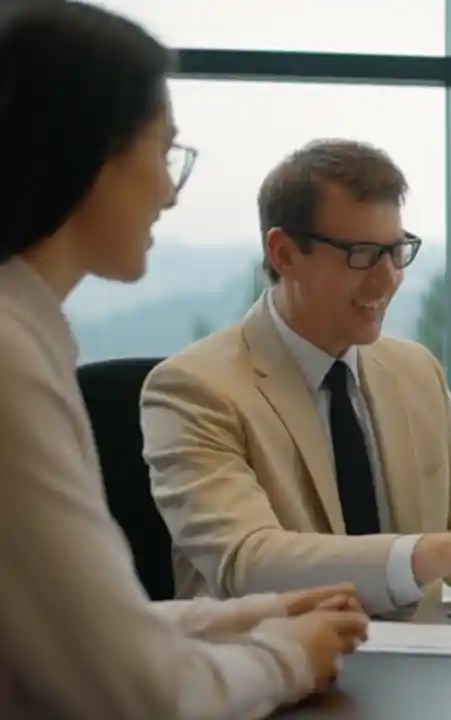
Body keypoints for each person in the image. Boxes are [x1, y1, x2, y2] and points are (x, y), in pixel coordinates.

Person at [0, 3, 369, 718]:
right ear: (90, 149)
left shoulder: (27, 337)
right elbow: (141, 694)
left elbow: (90, 631)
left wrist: (247, 616)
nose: (170, 191)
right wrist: (289, 655)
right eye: (164, 150)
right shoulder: (11, 360)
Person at [140, 138, 451, 619]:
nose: (387, 280)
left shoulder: (416, 373)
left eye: (396, 251)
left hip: (422, 679)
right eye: (361, 254)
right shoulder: (193, 388)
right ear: (285, 253)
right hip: (273, 677)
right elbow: (247, 563)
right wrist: (429, 553)